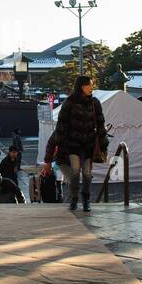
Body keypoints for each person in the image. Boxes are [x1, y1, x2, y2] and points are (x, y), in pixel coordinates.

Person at [52, 74, 108, 212]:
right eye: (87, 85)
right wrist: (59, 141)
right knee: (75, 171)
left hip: (88, 145)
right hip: (73, 144)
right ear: (80, 86)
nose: (90, 88)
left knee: (88, 174)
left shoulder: (95, 103)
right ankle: (74, 198)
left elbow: (101, 124)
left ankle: (86, 199)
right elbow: (61, 123)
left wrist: (103, 141)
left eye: (91, 85)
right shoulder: (70, 102)